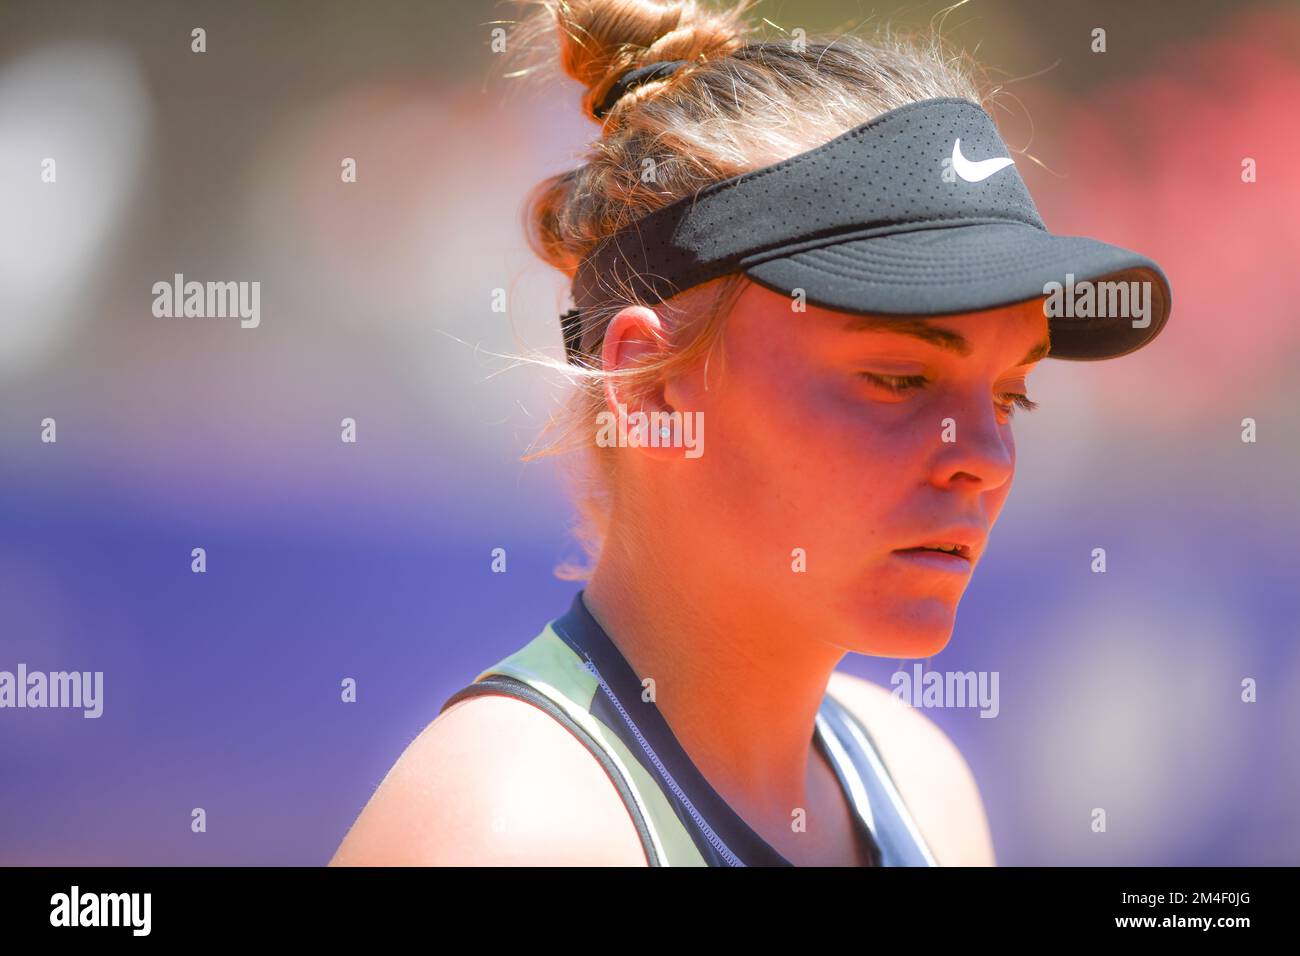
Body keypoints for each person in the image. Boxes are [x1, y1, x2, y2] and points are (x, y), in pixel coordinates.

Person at [330, 0, 1171, 867]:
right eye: (899, 378)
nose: (987, 461)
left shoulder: (923, 784)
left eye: (1010, 396)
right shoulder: (507, 833)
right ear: (651, 388)